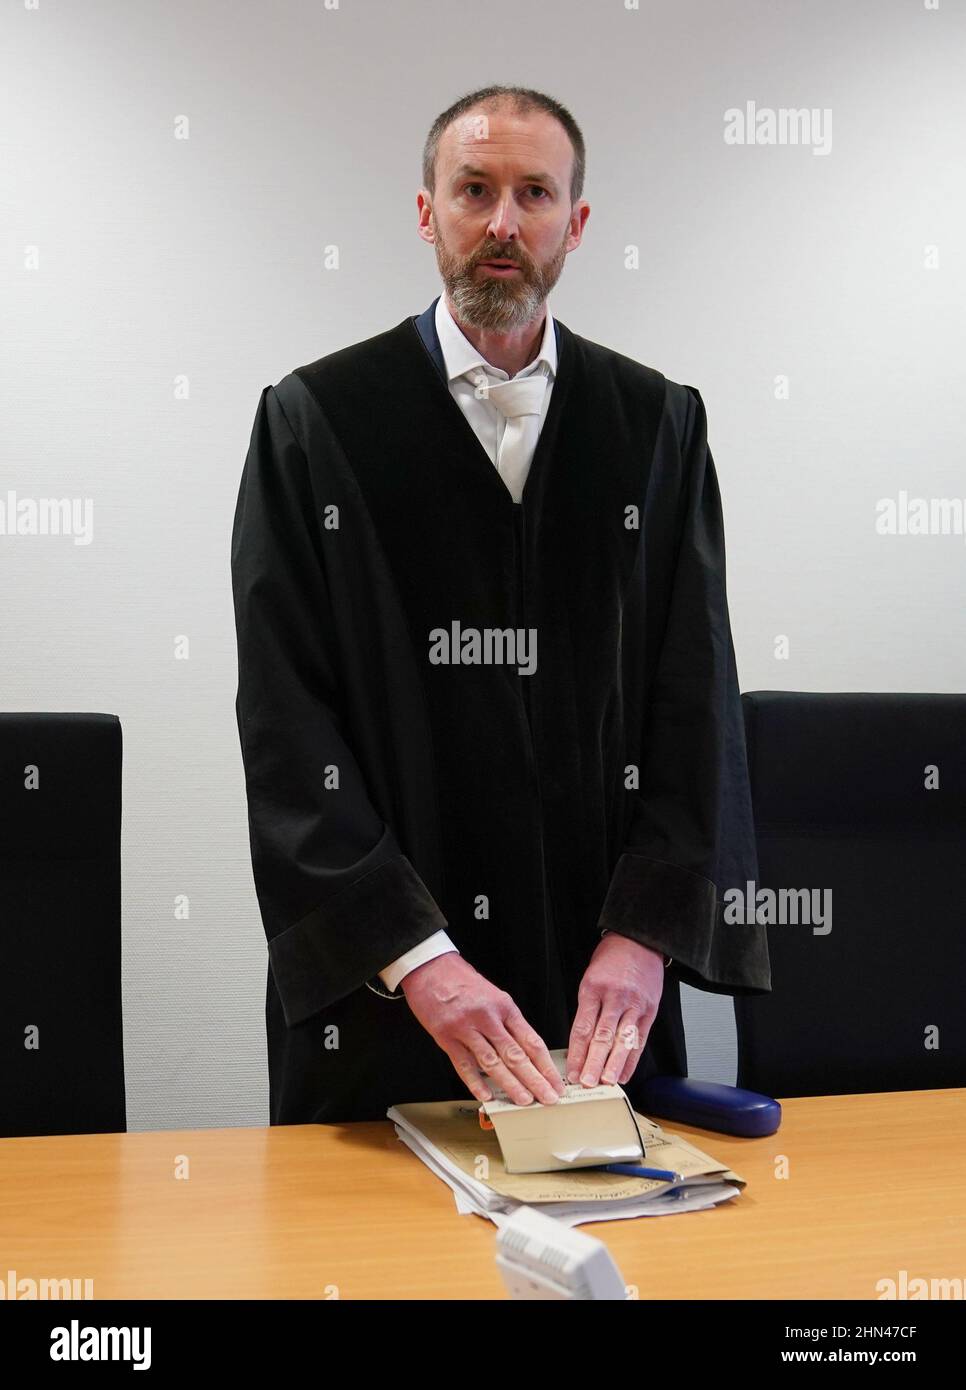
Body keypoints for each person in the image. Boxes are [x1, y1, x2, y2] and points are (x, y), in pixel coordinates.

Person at [230, 84, 770, 1125]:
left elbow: (696, 702)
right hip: (389, 1001)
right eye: (474, 190)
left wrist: (646, 934)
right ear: (428, 211)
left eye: (535, 193)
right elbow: (286, 727)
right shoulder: (314, 423)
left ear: (577, 222)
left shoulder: (658, 425)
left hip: (603, 999)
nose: (504, 223)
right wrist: (419, 958)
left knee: (630, 1275)